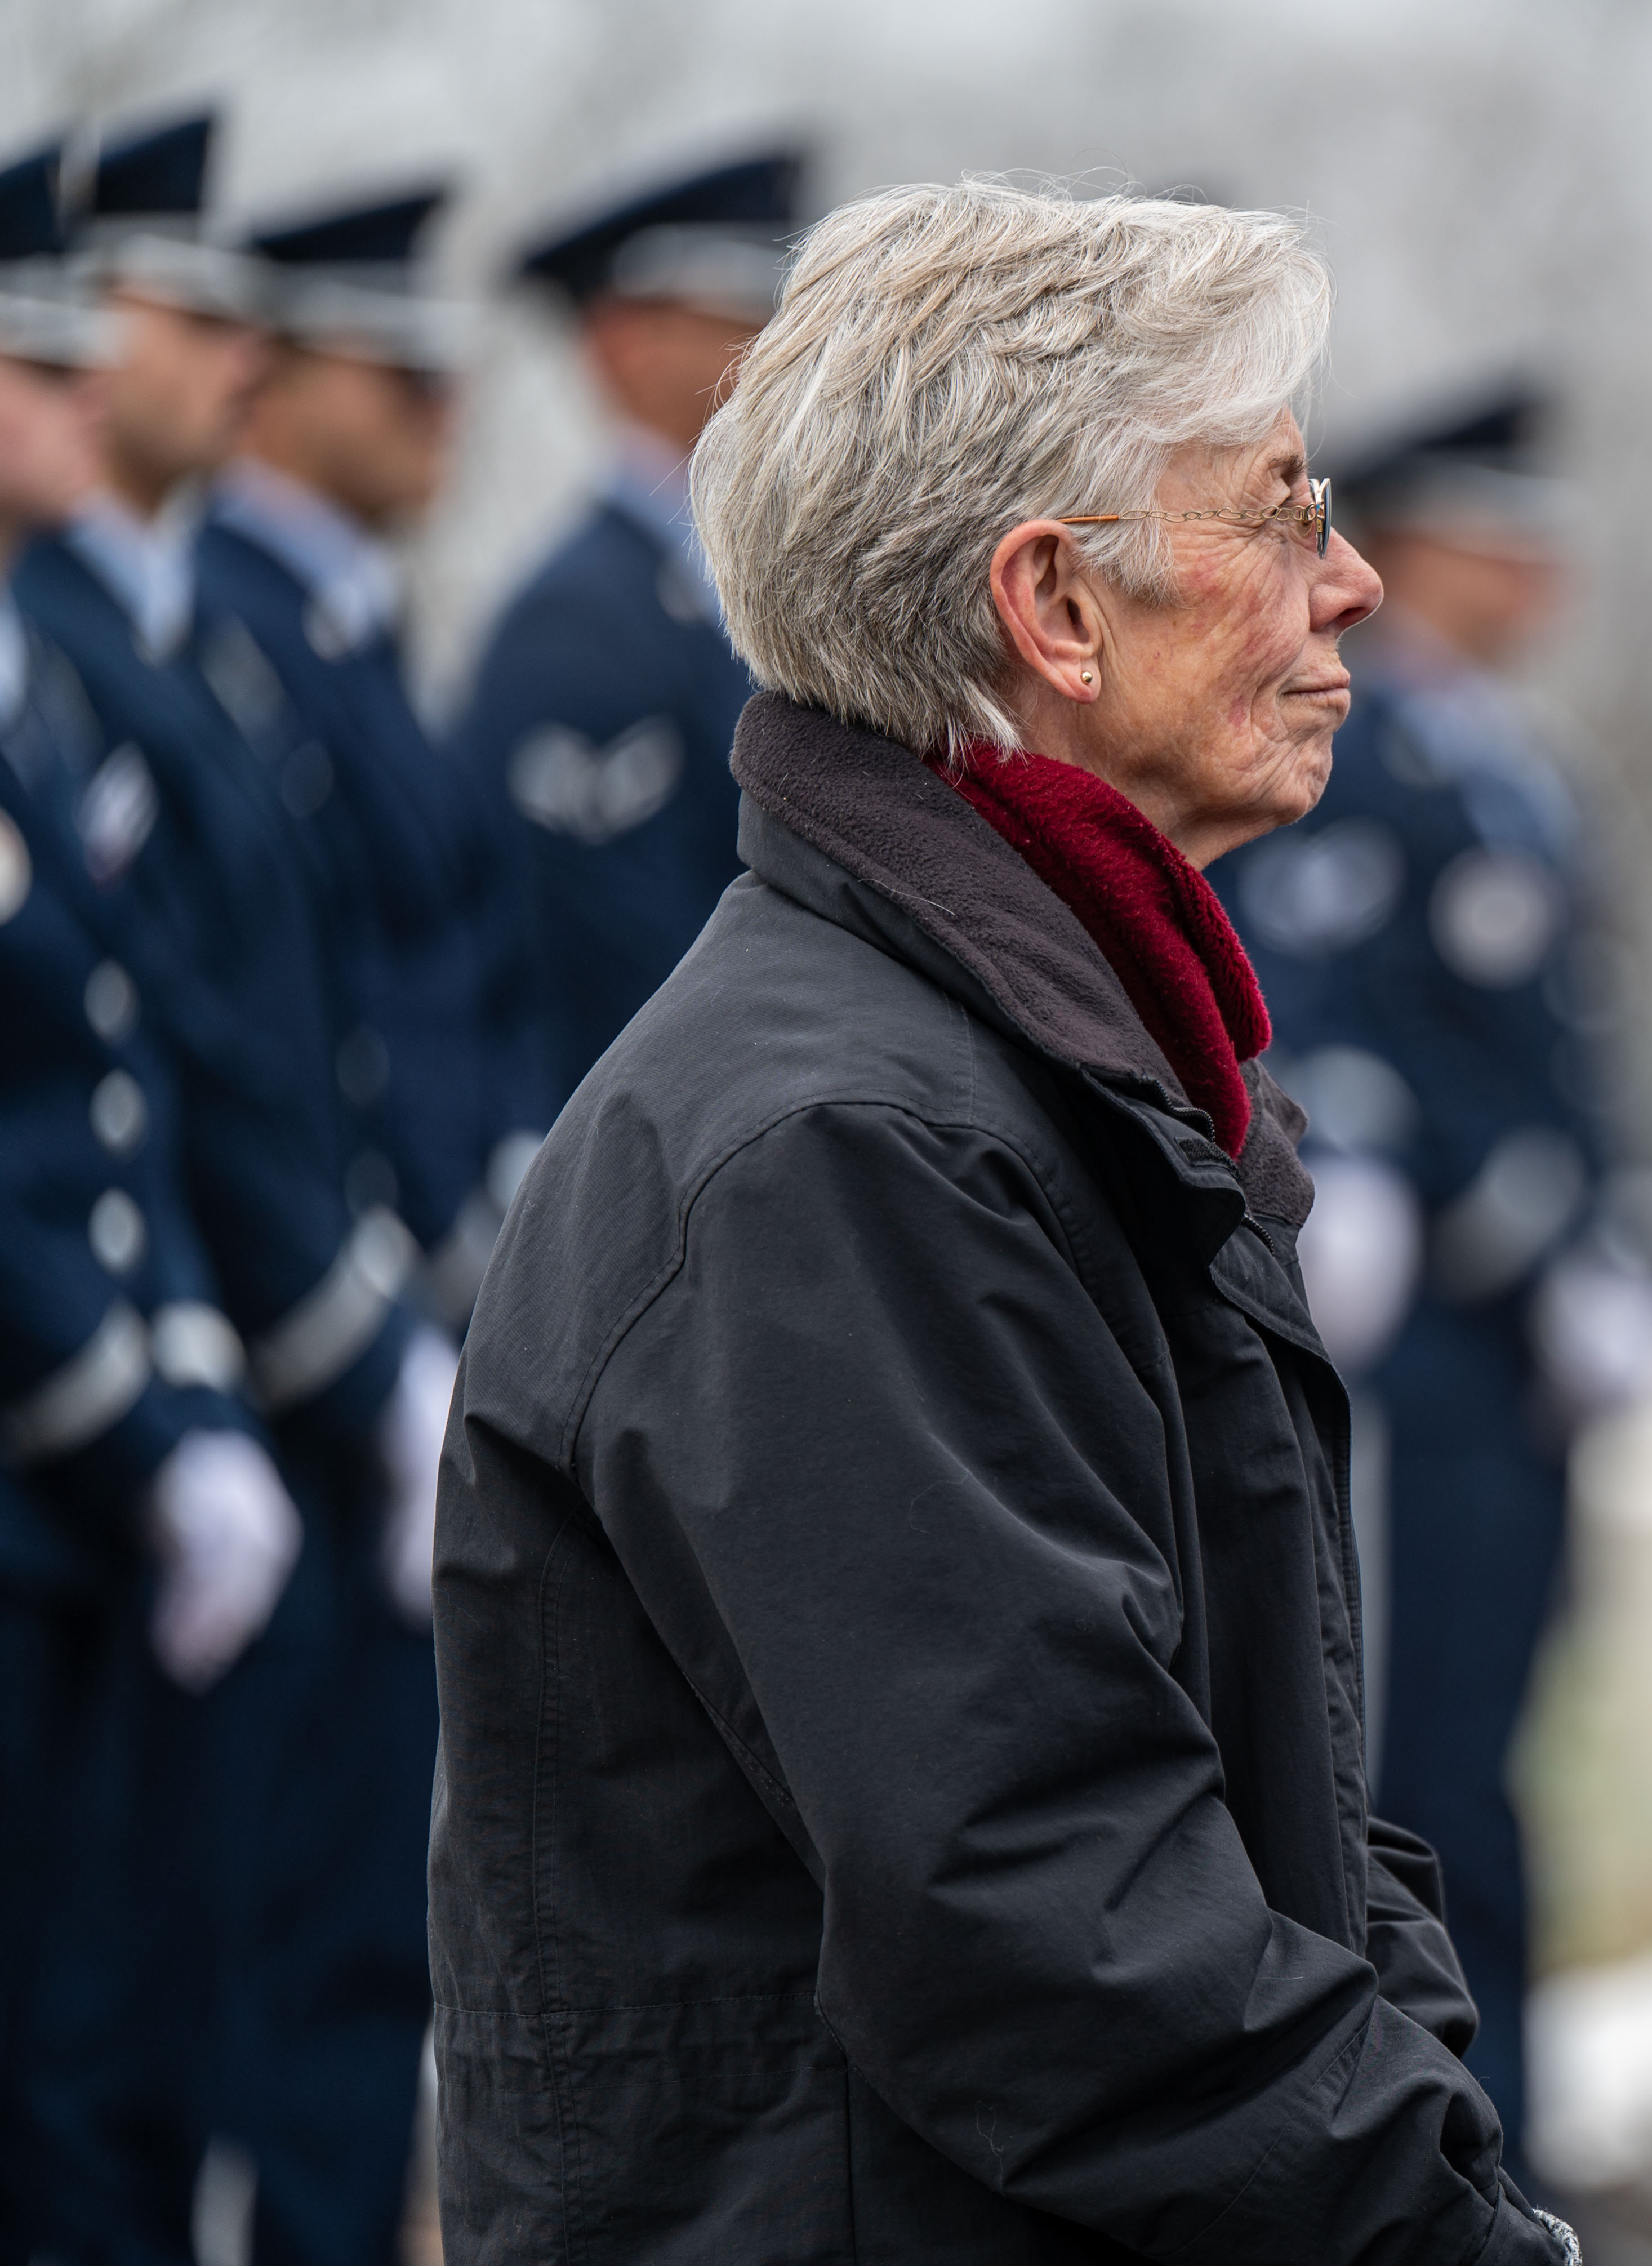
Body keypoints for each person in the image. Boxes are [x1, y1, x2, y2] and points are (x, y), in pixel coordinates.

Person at [432, 179, 1580, 2264]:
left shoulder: (1042, 1067)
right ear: (1055, 606)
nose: (1353, 582)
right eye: (1277, 509)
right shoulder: (844, 1146)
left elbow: (1294, 1817)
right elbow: (1057, 1928)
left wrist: (1457, 2184)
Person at [12, 111, 453, 2266]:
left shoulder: (151, 656)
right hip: (102, 1442)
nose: (124, 372)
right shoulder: (86, 657)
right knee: (97, 2064)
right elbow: (129, 1083)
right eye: (76, 337)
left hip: (201, 1405)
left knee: (202, 2033)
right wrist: (220, 1383)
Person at [1212, 384, 1652, 2185]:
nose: (1537, 563)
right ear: (1404, 546)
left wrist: (1619, 1244)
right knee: (1392, 1780)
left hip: (1518, 1355)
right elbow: (1347, 1015)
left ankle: (1505, 2157)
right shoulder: (1369, 750)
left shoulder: (1515, 766)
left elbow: (1569, 1051)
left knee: (1480, 1768)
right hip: (1421, 1342)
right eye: (1501, 527)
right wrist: (1511, 1235)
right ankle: (1425, 2168)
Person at [0, 130, 303, 2262]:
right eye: (37, 365)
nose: (83, 401)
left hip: (92, 1474)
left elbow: (120, 1084)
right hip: (38, 1460)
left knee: (110, 2056)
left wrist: (190, 1390)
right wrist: (131, 1406)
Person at [204, 180, 546, 1325]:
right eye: (402, 374)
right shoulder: (229, 622)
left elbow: (471, 940)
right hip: (345, 1274)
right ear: (269, 377)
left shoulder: (349, 616)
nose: (443, 407)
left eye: (444, 375)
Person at [450, 150, 800, 1101]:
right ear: (620, 342)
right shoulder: (577, 624)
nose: (780, 344)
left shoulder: (774, 586)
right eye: (737, 313)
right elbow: (618, 978)